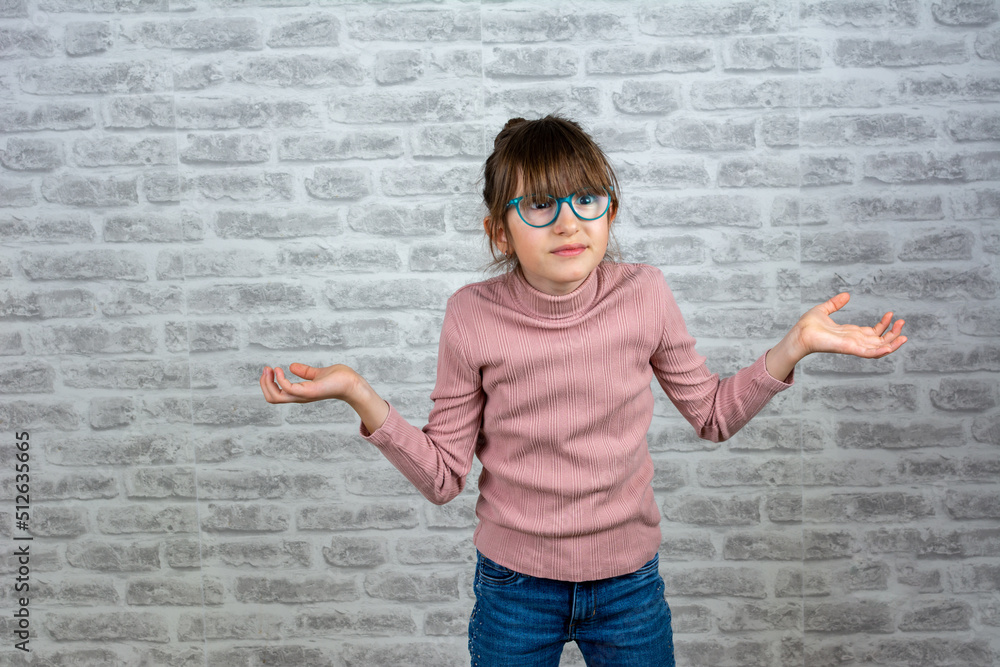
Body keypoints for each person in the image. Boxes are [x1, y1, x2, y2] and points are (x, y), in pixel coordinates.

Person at [259, 115, 907, 667]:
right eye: (540, 205)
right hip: (514, 588)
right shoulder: (472, 314)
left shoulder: (644, 294)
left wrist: (793, 345)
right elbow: (442, 476)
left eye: (586, 198)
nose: (568, 222)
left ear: (610, 211)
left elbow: (712, 414)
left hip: (629, 585)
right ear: (499, 231)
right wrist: (356, 392)